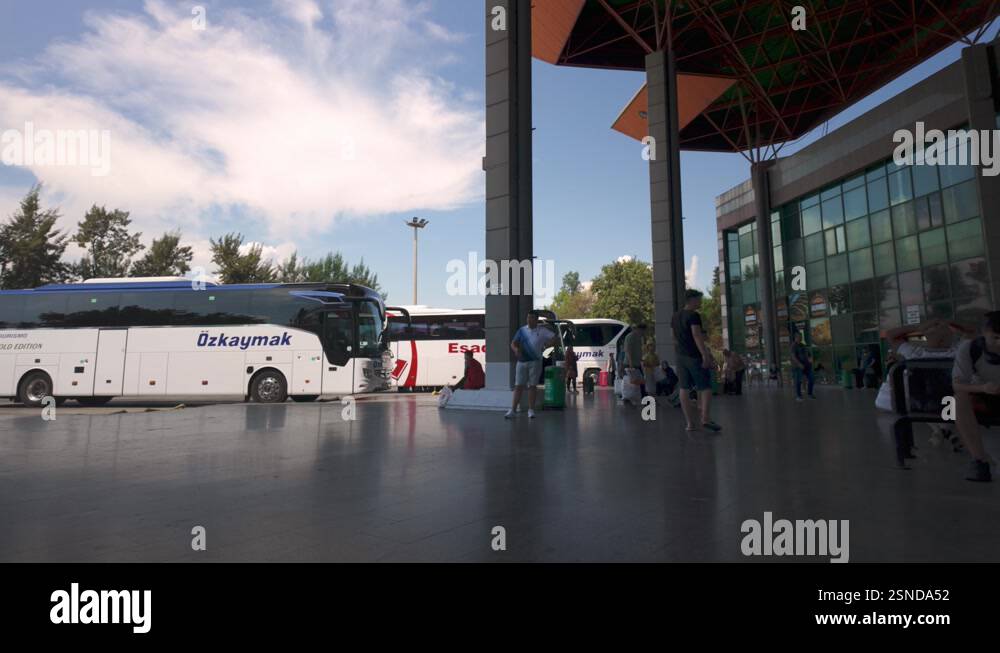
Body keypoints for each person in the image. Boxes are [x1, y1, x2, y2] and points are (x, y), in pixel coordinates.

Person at [952, 311, 1000, 482]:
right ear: (983, 334)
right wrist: (983, 388)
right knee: (959, 399)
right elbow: (957, 384)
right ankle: (979, 461)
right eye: (995, 337)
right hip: (984, 394)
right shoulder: (969, 348)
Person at [671, 289, 721, 432]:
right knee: (705, 387)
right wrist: (705, 355)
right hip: (694, 356)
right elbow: (697, 335)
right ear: (692, 300)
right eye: (699, 300)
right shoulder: (694, 315)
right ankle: (705, 418)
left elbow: (673, 338)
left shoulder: (675, 316)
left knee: (684, 388)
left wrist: (681, 349)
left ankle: (689, 423)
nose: (700, 302)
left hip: (680, 356)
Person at [505, 310, 558, 419]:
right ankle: (513, 410)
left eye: (531, 318)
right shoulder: (522, 330)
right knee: (518, 386)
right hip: (521, 362)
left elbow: (555, 338)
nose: (529, 320)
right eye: (528, 318)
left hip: (535, 362)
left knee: (532, 386)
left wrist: (547, 345)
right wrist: (515, 350)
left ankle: (531, 410)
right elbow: (513, 343)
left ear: (536, 319)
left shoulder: (542, 330)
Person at [621, 324, 647, 405]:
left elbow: (639, 350)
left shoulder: (639, 337)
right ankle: (629, 397)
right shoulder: (630, 337)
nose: (644, 333)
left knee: (638, 381)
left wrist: (641, 360)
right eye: (643, 331)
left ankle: (641, 397)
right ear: (639, 329)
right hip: (630, 364)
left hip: (637, 363)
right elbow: (628, 350)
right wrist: (631, 363)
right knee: (632, 381)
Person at [790, 331, 815, 402]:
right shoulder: (793, 346)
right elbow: (793, 357)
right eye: (799, 337)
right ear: (795, 337)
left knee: (811, 378)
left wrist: (810, 359)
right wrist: (799, 364)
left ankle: (810, 394)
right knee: (798, 381)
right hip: (798, 367)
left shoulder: (803, 345)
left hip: (807, 365)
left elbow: (808, 354)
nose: (800, 338)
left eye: (801, 337)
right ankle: (798, 396)